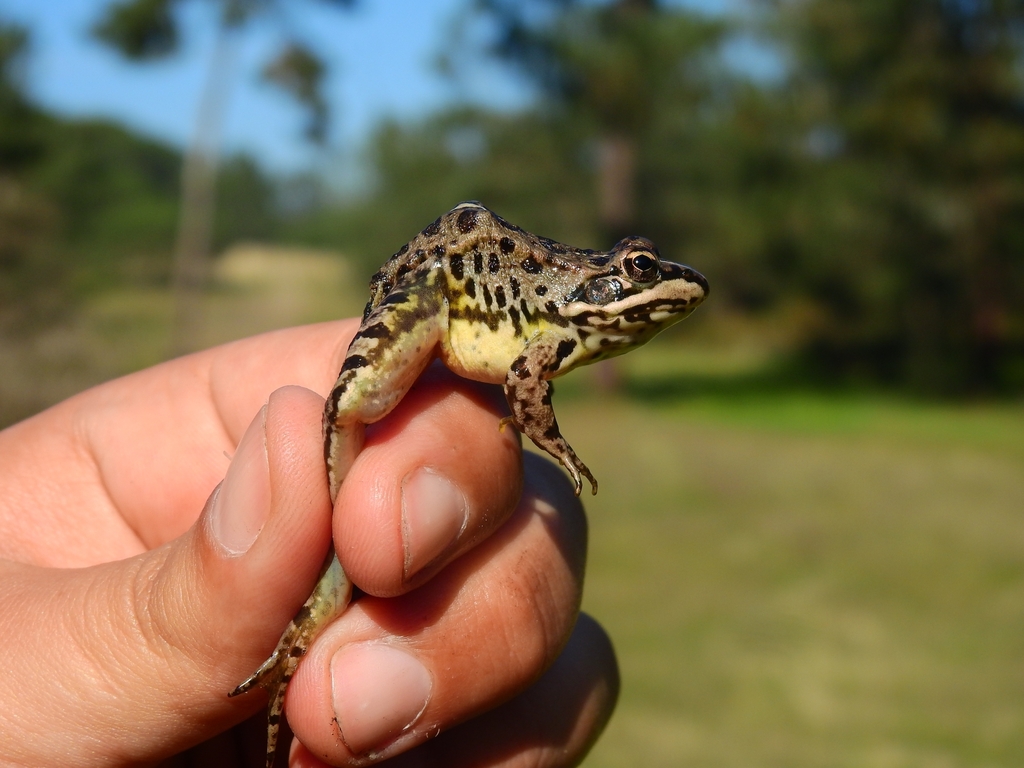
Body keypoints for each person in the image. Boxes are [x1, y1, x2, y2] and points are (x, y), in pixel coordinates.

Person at [0, 319, 619, 767]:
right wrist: (556, 444)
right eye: (637, 271)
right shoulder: (552, 327)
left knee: (364, 553)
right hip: (432, 307)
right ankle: (284, 681)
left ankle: (281, 690)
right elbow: (525, 378)